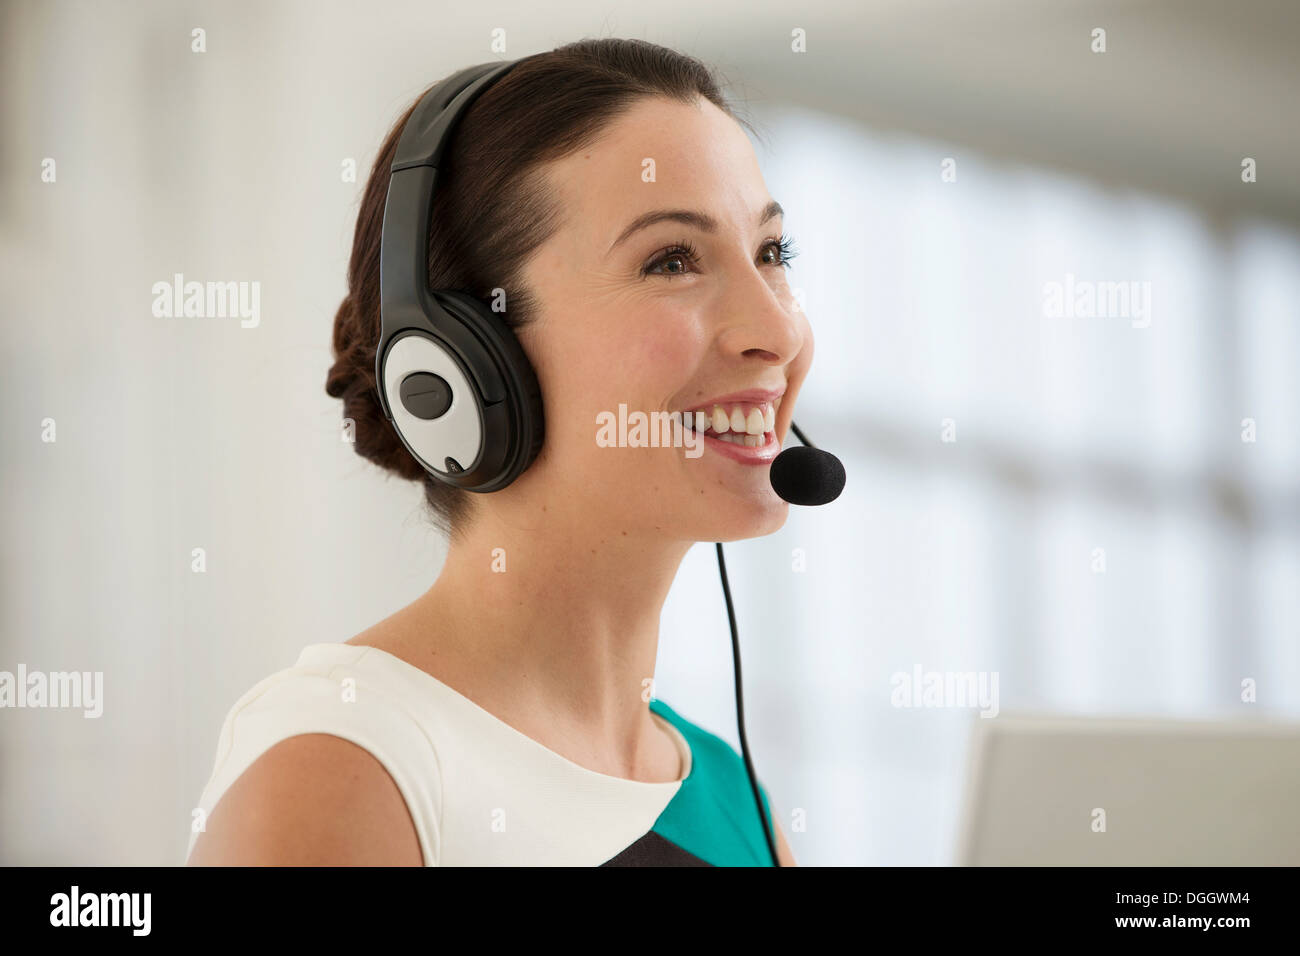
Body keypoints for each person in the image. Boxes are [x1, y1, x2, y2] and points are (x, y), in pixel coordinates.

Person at [187, 37, 810, 866]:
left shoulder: (732, 792)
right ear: (465, 355)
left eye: (772, 254)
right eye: (672, 260)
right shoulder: (349, 760)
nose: (775, 331)